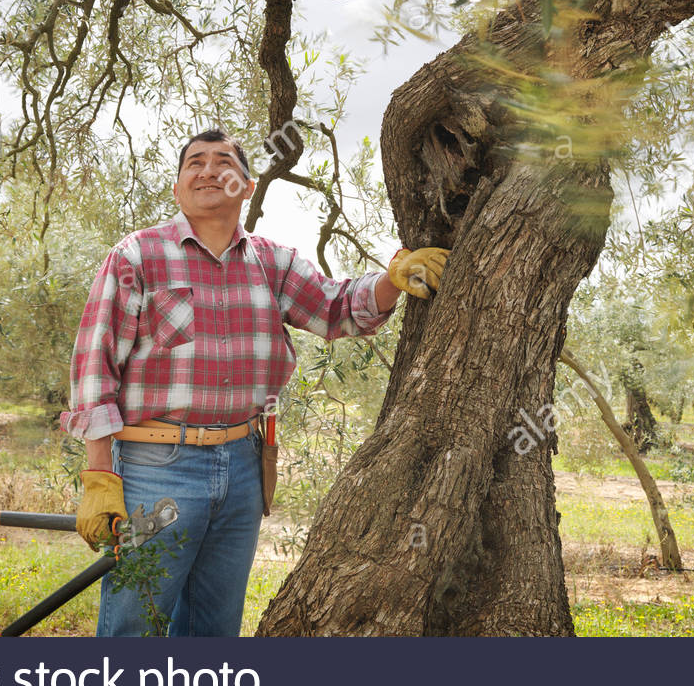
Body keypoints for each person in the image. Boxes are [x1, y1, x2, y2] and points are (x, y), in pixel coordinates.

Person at [60, 128, 448, 636]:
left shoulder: (273, 262)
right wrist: (99, 479)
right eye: (193, 162)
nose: (207, 170)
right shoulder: (136, 257)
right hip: (156, 469)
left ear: (245, 186)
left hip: (243, 468)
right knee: (135, 626)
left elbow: (335, 309)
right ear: (177, 188)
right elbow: (95, 366)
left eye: (223, 162)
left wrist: (390, 280)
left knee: (213, 628)